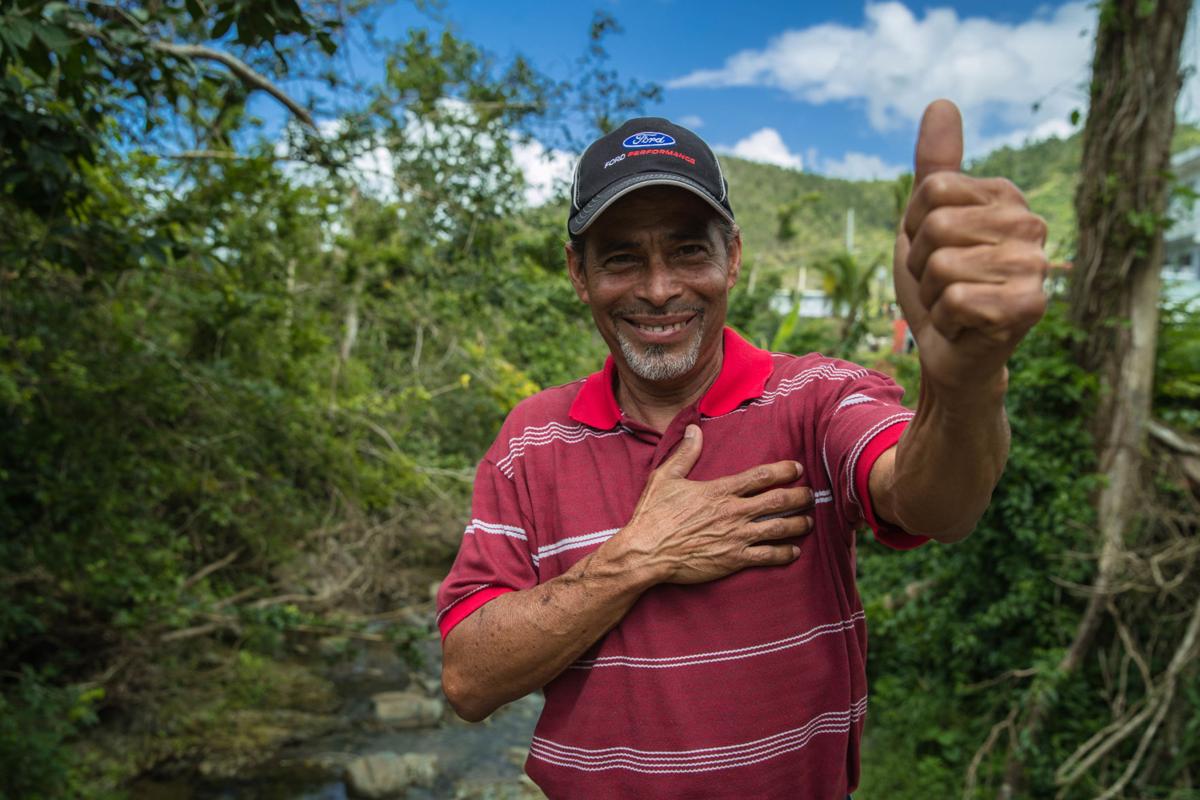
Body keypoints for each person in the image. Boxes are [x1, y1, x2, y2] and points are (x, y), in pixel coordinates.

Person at [436, 100, 1048, 799]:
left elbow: (938, 503)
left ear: (732, 257)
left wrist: (964, 383)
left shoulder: (816, 399)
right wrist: (639, 557)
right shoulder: (532, 439)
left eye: (688, 251)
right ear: (579, 274)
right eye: (622, 258)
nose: (659, 289)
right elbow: (468, 679)